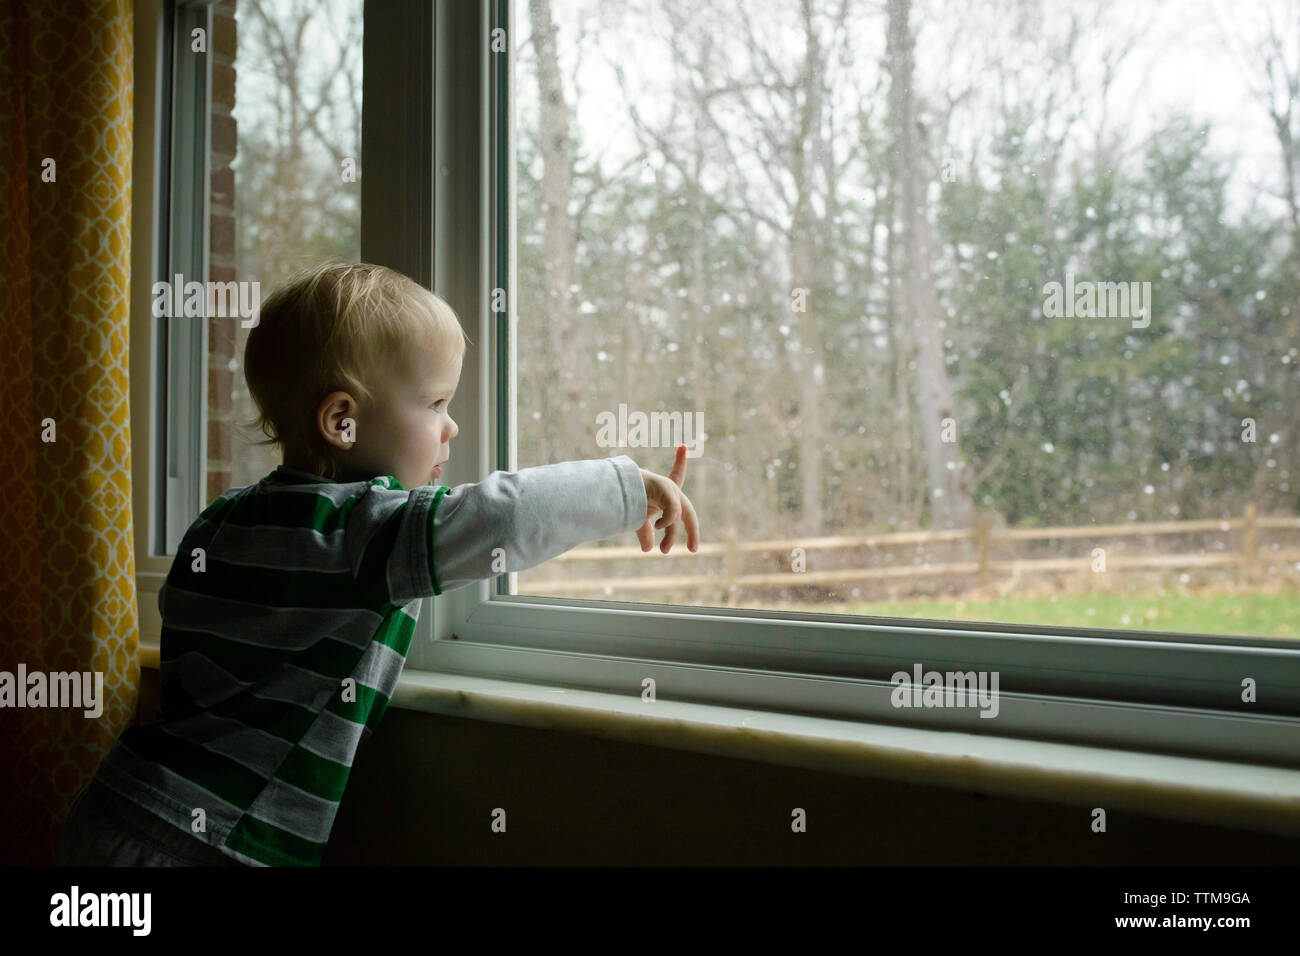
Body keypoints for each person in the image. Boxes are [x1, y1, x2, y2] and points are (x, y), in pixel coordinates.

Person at [54, 261, 699, 867]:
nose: (451, 429)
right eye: (436, 405)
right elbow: (502, 516)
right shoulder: (361, 531)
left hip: (114, 805)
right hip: (214, 840)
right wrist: (627, 489)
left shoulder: (221, 519)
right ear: (342, 420)